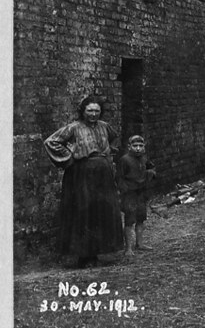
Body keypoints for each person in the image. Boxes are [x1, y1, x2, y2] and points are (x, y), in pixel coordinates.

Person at [43, 95, 123, 266]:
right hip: (81, 174)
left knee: (101, 210)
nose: (93, 114)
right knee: (83, 212)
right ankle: (83, 255)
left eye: (97, 111)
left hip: (102, 173)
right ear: (83, 111)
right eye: (90, 110)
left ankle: (98, 251)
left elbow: (114, 139)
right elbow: (51, 142)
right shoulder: (73, 128)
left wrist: (109, 154)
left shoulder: (105, 126)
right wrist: (69, 159)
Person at [117, 135, 157, 257]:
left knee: (141, 218)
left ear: (144, 147)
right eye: (135, 146)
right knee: (130, 220)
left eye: (140, 146)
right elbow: (119, 178)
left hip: (141, 193)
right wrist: (124, 191)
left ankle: (140, 243)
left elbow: (152, 168)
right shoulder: (124, 160)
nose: (138, 149)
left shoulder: (144, 159)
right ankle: (128, 248)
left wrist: (150, 173)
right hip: (130, 194)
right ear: (129, 147)